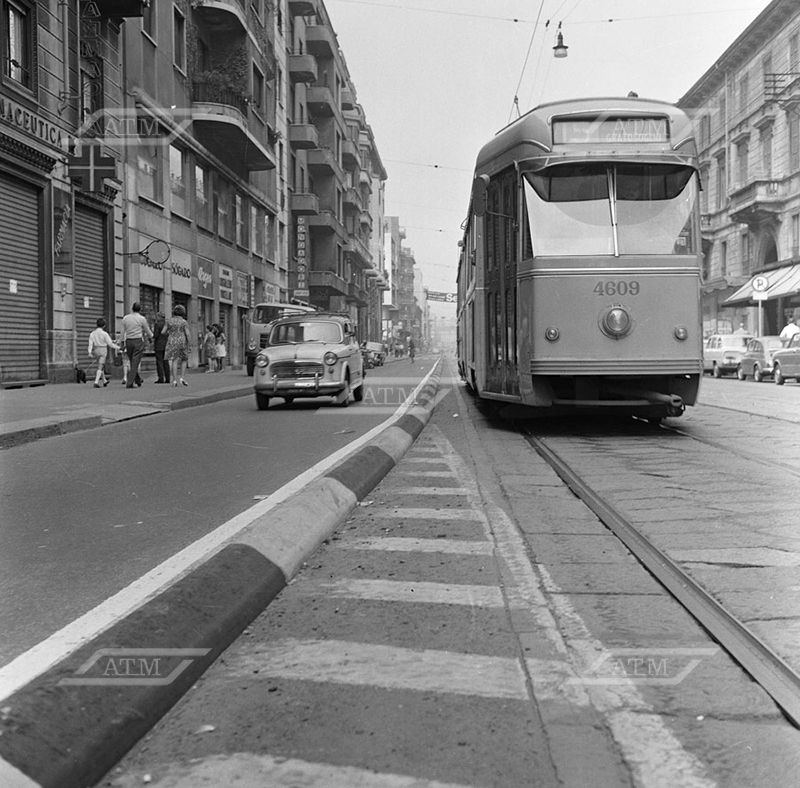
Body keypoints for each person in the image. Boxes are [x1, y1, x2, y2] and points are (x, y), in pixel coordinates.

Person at [121, 302, 153, 389]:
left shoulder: (125, 318)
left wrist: (122, 342)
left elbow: (122, 332)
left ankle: (138, 380)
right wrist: (151, 337)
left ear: (132, 308)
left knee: (132, 361)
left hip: (128, 341)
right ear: (140, 309)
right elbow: (147, 330)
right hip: (138, 341)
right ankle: (130, 383)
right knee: (135, 363)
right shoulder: (142, 319)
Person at [164, 304, 192, 386]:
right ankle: (182, 378)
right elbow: (188, 334)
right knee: (184, 359)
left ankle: (174, 380)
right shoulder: (184, 322)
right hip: (182, 341)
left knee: (174, 360)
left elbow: (163, 332)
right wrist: (189, 344)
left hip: (172, 341)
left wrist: (170, 333)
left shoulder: (169, 321)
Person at [87, 317, 116, 388]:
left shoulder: (92, 333)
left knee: (101, 365)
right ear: (104, 325)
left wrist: (89, 352)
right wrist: (118, 347)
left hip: (96, 350)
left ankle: (104, 380)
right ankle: (96, 382)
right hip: (103, 350)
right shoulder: (104, 334)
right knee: (100, 366)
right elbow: (110, 344)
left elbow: (90, 343)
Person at [153, 312, 170, 384]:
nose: (156, 318)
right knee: (166, 362)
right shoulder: (167, 324)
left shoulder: (157, 324)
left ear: (159, 317)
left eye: (157, 316)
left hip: (159, 345)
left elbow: (156, 335)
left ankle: (161, 378)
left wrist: (153, 337)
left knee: (159, 362)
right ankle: (168, 378)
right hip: (166, 345)